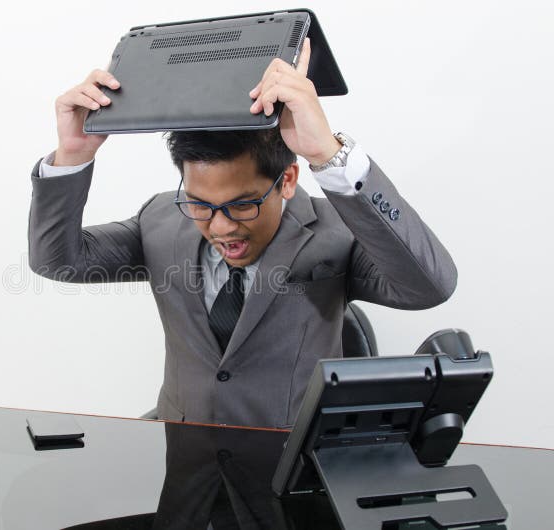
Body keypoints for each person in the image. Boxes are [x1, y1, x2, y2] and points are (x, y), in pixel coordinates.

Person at [28, 40, 456, 428]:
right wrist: (72, 156)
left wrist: (328, 154)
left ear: (287, 180)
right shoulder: (159, 219)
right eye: (200, 204)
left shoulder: (336, 230)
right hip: (186, 463)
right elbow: (57, 261)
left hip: (290, 466)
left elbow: (429, 285)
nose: (220, 227)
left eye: (241, 205)